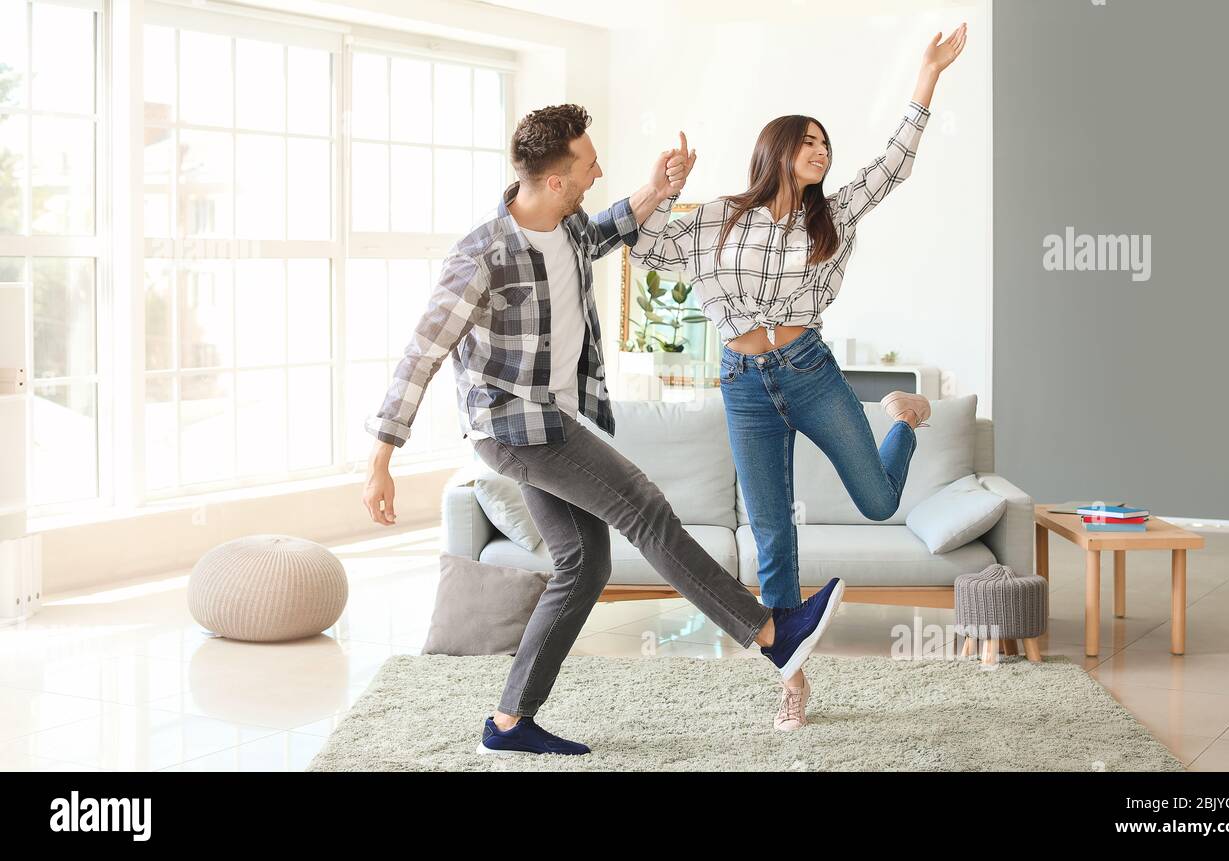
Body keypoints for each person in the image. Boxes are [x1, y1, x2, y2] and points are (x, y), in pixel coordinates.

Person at [362, 104, 844, 756]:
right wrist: (380, 456)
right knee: (645, 507)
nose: (597, 173)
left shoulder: (565, 227)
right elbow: (422, 350)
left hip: (551, 418)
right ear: (557, 179)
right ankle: (768, 633)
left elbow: (611, 227)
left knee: (585, 563)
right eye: (588, 165)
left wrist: (661, 188)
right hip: (512, 427)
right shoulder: (481, 256)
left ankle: (508, 723)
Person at [629, 25, 968, 731]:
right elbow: (642, 246)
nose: (820, 151)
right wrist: (663, 188)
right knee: (772, 534)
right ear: (777, 148)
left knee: (878, 501)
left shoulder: (832, 216)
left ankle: (906, 416)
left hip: (809, 370)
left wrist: (926, 76)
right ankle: (793, 676)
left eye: (825, 144)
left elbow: (894, 165)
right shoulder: (719, 217)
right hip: (743, 383)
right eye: (808, 141)